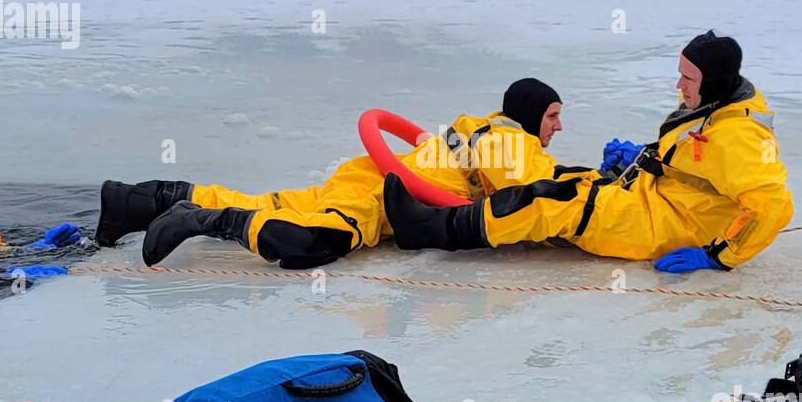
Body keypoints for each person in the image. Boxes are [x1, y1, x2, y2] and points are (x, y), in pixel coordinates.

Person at [383, 31, 794, 273]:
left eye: (688, 77)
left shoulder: (739, 134)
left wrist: (718, 256)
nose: (678, 85)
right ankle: (449, 220)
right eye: (680, 74)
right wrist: (642, 159)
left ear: (715, 82)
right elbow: (698, 165)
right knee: (567, 180)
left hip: (664, 226)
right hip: (654, 199)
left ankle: (430, 229)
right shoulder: (712, 107)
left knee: (550, 202)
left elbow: (771, 204)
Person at [95, 78, 590, 269]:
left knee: (278, 203)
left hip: (368, 173)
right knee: (319, 240)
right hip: (382, 198)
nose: (559, 126)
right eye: (552, 115)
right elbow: (531, 205)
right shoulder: (514, 142)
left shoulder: (481, 128)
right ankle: (204, 219)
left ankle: (139, 200)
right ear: (530, 114)